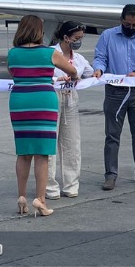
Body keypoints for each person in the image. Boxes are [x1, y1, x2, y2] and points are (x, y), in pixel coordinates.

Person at [8, 15, 76, 217]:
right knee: (42, 154)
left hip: (20, 102)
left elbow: (14, 74)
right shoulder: (49, 53)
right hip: (43, 102)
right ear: (40, 31)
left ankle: (21, 197)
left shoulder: (13, 53)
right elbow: (72, 69)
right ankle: (40, 199)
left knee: (23, 152)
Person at [93, 4, 135, 190]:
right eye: (128, 25)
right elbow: (100, 57)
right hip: (115, 91)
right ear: (121, 21)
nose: (131, 28)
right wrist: (98, 69)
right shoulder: (108, 36)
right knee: (112, 135)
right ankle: (111, 175)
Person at [46, 21, 94, 199]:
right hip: (52, 98)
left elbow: (91, 73)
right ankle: (49, 186)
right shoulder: (50, 53)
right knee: (50, 143)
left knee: (72, 143)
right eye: (76, 38)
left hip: (71, 100)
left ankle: (71, 184)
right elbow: (44, 74)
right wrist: (58, 79)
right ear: (66, 37)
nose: (79, 41)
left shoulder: (79, 58)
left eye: (81, 38)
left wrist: (98, 73)